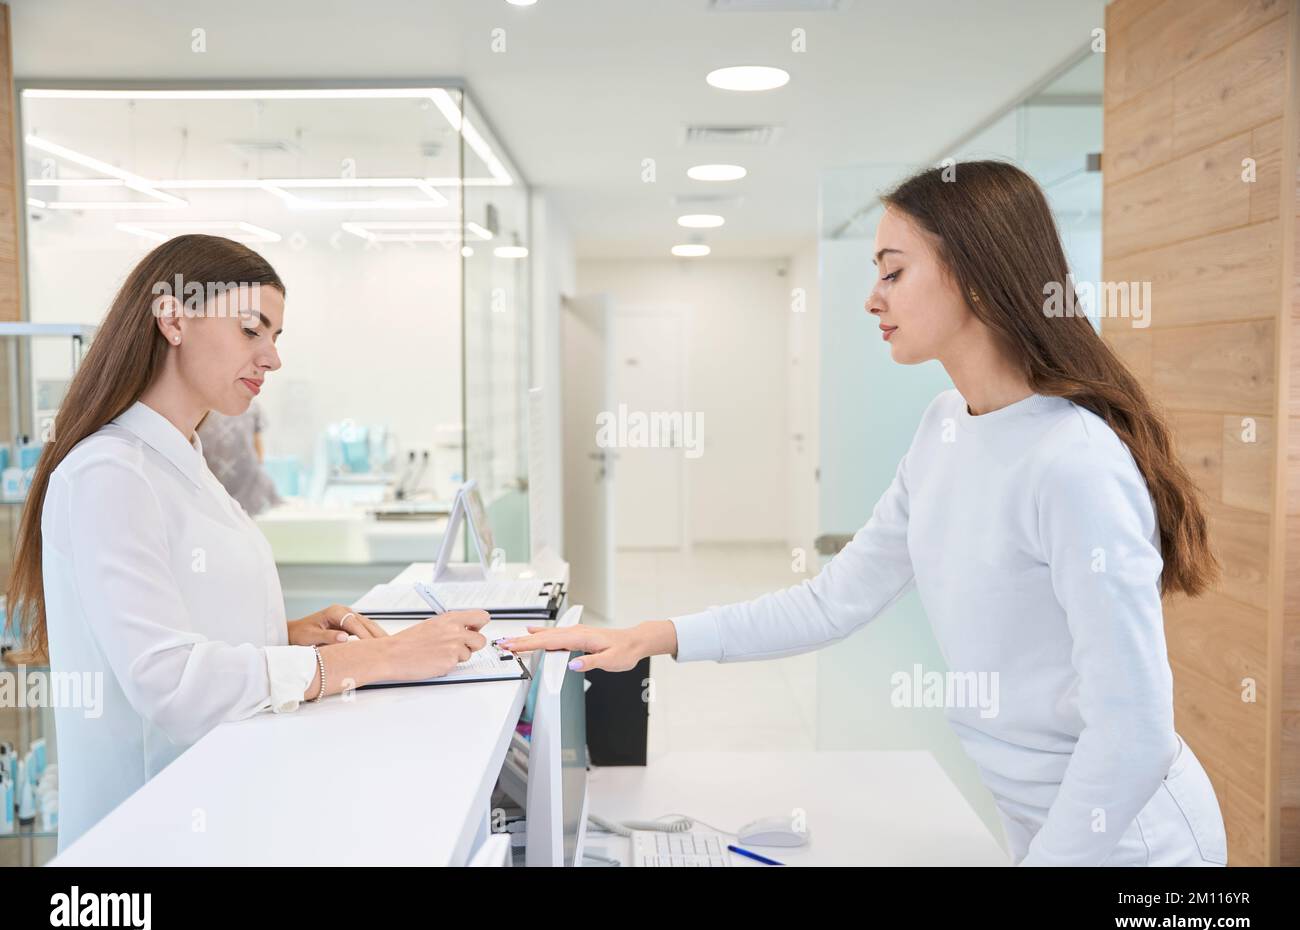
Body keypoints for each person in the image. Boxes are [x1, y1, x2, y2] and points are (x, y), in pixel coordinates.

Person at [501, 160, 1229, 867]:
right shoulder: (947, 427)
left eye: (893, 271)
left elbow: (1132, 733)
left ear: (974, 276)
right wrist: (651, 636)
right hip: (1037, 822)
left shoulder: (1073, 463)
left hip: (1134, 843)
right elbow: (831, 602)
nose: (872, 299)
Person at [5, 234, 489, 850]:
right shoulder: (110, 473)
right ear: (173, 318)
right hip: (149, 839)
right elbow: (169, 683)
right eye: (251, 330)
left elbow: (175, 622)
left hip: (218, 802)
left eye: (275, 338)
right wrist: (380, 660)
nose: (271, 358)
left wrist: (281, 633)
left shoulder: (179, 456)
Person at [198, 400, 282, 517]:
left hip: (225, 480)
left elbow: (258, 446)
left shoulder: (251, 407)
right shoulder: (250, 407)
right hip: (214, 480)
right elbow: (258, 448)